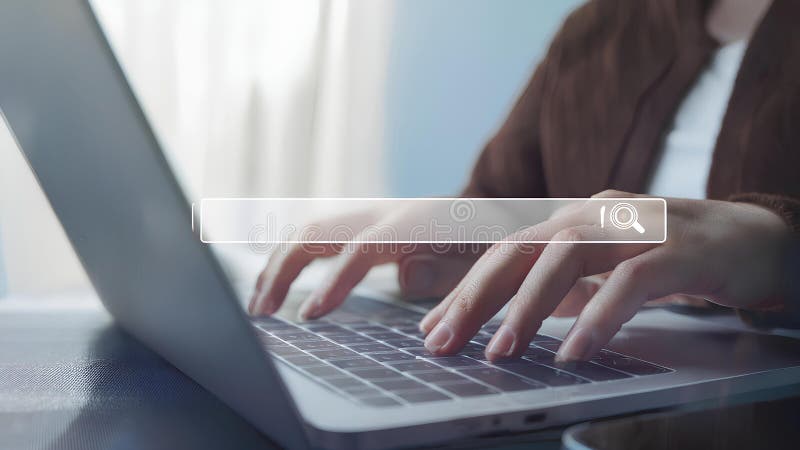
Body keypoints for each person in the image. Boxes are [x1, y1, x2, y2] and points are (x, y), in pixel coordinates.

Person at [249, 0, 800, 362]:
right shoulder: (598, 29)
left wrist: (782, 251)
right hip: (572, 377)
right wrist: (464, 221)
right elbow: (509, 201)